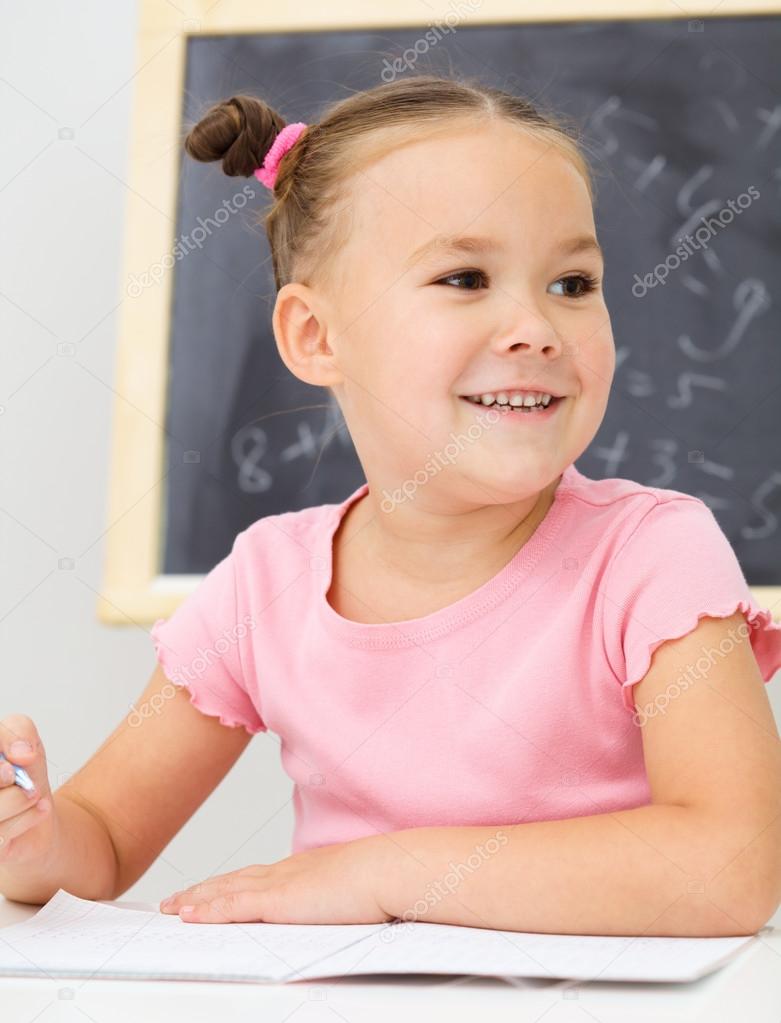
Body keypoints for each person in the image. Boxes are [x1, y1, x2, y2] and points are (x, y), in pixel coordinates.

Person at [2, 74, 780, 938]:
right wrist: (32, 838)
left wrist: (385, 871)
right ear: (315, 336)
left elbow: (730, 866)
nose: (536, 326)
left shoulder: (652, 555)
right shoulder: (264, 583)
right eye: (464, 277)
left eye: (571, 282)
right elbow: (103, 839)